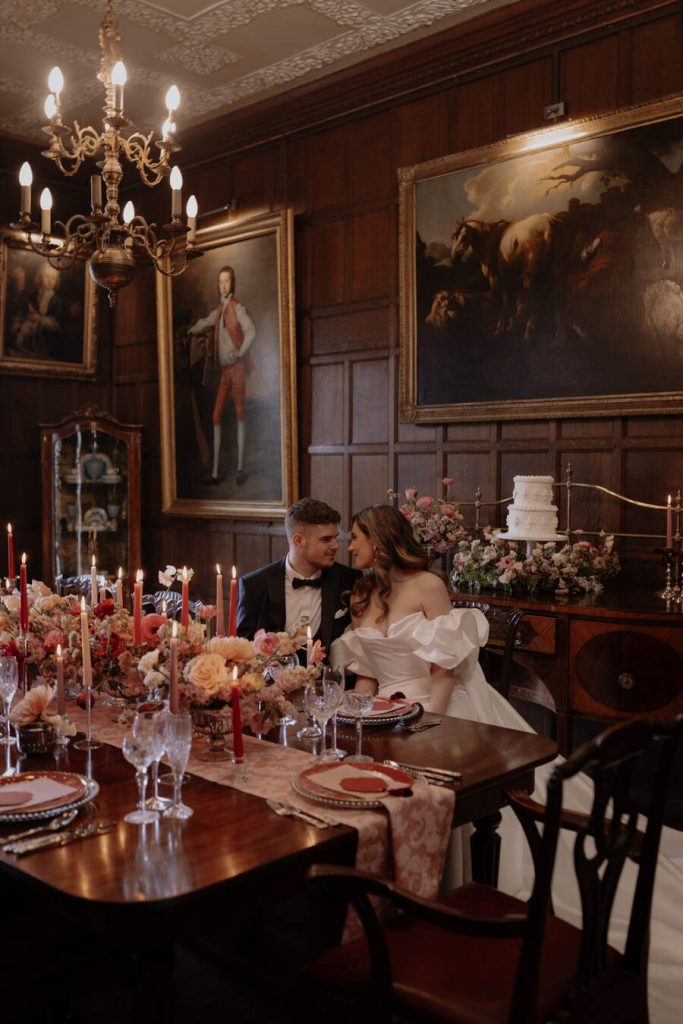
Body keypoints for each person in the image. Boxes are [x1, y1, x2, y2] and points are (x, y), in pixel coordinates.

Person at [330, 504, 683, 1024]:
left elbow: (444, 673)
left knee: (475, 791)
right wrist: (355, 715)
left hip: (438, 712)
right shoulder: (363, 592)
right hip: (384, 718)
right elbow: (366, 677)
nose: (348, 546)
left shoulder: (427, 585)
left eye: (355, 537)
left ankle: (458, 890)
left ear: (379, 542)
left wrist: (428, 726)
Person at [237, 497, 361, 656]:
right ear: (298, 541)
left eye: (335, 537)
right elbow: (243, 652)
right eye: (326, 539)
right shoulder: (254, 585)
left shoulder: (350, 580)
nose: (335, 546)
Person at [186, 265, 256, 487]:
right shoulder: (218, 311)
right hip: (225, 372)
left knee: (239, 415)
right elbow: (203, 323)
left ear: (231, 284)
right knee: (216, 416)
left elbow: (251, 331)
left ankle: (240, 469)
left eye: (227, 281)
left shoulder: (238, 308)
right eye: (221, 281)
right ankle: (216, 472)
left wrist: (241, 352)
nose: (223, 285)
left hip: (237, 368)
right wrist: (188, 331)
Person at [10, 264, 64, 358]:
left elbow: (57, 323)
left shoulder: (56, 300)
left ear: (57, 281)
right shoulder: (33, 296)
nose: (50, 281)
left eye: (53, 278)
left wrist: (39, 319)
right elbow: (24, 312)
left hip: (47, 338)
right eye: (47, 276)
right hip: (30, 333)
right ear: (40, 278)